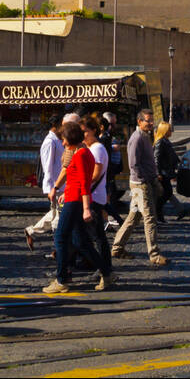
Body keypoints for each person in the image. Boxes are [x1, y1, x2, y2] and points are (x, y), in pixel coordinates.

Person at [43, 121, 108, 293]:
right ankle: (107, 272)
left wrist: (86, 208)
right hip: (73, 198)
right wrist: (59, 189)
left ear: (70, 138)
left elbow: (84, 183)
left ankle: (61, 279)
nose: (63, 143)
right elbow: (74, 178)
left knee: (60, 237)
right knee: (81, 242)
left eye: (64, 139)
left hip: (75, 201)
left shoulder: (80, 155)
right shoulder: (81, 152)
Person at [111, 109, 168, 266]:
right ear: (139, 121)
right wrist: (146, 180)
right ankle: (154, 254)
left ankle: (117, 247)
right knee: (150, 218)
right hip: (140, 184)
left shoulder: (145, 136)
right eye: (147, 121)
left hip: (143, 182)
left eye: (151, 121)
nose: (150, 123)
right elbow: (133, 165)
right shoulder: (136, 138)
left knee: (134, 217)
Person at [80, 117, 117, 288]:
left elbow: (95, 175)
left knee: (97, 236)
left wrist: (81, 186)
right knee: (94, 236)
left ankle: (105, 270)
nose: (83, 135)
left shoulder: (97, 149)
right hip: (92, 195)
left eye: (85, 131)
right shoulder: (90, 148)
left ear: (94, 130)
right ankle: (102, 268)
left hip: (94, 196)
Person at [25, 114, 65, 249]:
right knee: (59, 218)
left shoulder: (57, 140)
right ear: (57, 126)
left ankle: (32, 232)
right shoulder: (50, 142)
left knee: (54, 215)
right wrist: (51, 188)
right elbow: (47, 166)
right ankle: (58, 248)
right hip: (56, 185)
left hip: (60, 184)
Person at [153, 120, 178, 222]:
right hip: (162, 173)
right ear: (164, 131)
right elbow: (156, 159)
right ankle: (157, 213)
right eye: (169, 130)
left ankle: (159, 214)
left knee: (166, 193)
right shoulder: (160, 142)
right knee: (166, 193)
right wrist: (158, 173)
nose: (171, 131)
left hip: (166, 171)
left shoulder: (166, 141)